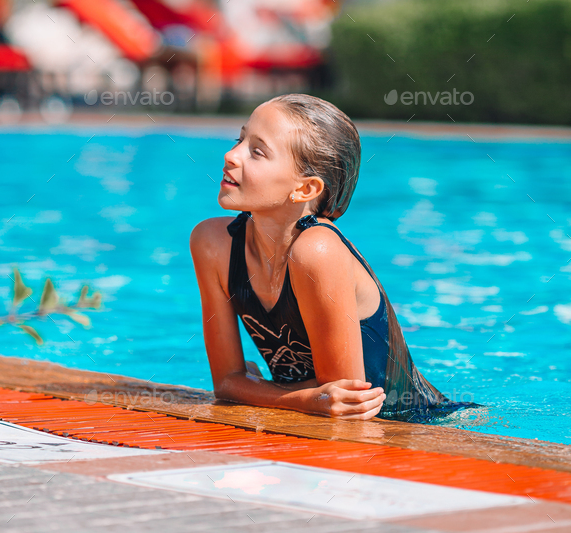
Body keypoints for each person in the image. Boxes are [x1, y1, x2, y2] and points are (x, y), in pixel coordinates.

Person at [191, 93, 472, 421]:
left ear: (306, 189)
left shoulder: (317, 252)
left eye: (257, 151)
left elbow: (344, 399)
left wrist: (256, 388)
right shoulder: (212, 244)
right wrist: (300, 398)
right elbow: (226, 383)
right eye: (239, 139)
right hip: (316, 421)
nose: (230, 155)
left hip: (422, 425)